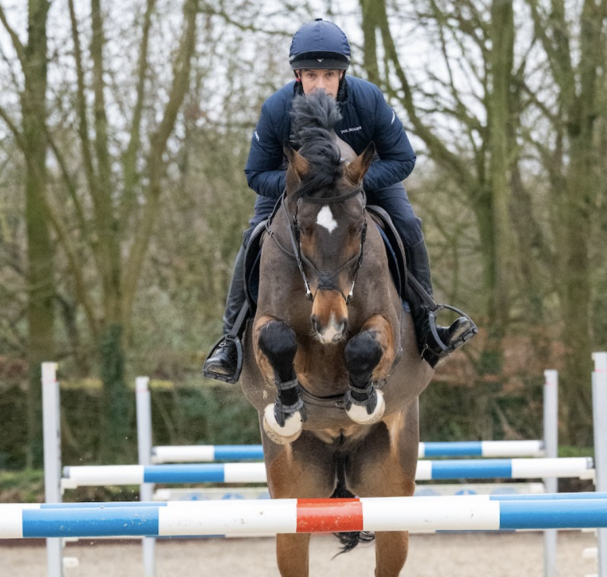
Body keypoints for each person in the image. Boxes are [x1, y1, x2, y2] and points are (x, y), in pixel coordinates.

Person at [202, 18, 477, 383]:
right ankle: (230, 341)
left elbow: (403, 159)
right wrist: (303, 189)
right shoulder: (276, 108)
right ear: (297, 75)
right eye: (311, 76)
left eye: (329, 75)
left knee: (409, 225)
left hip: (361, 184)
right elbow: (255, 175)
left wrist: (354, 184)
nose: (320, 85)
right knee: (252, 236)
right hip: (298, 192)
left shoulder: (368, 100)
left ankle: (429, 325)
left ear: (342, 75)